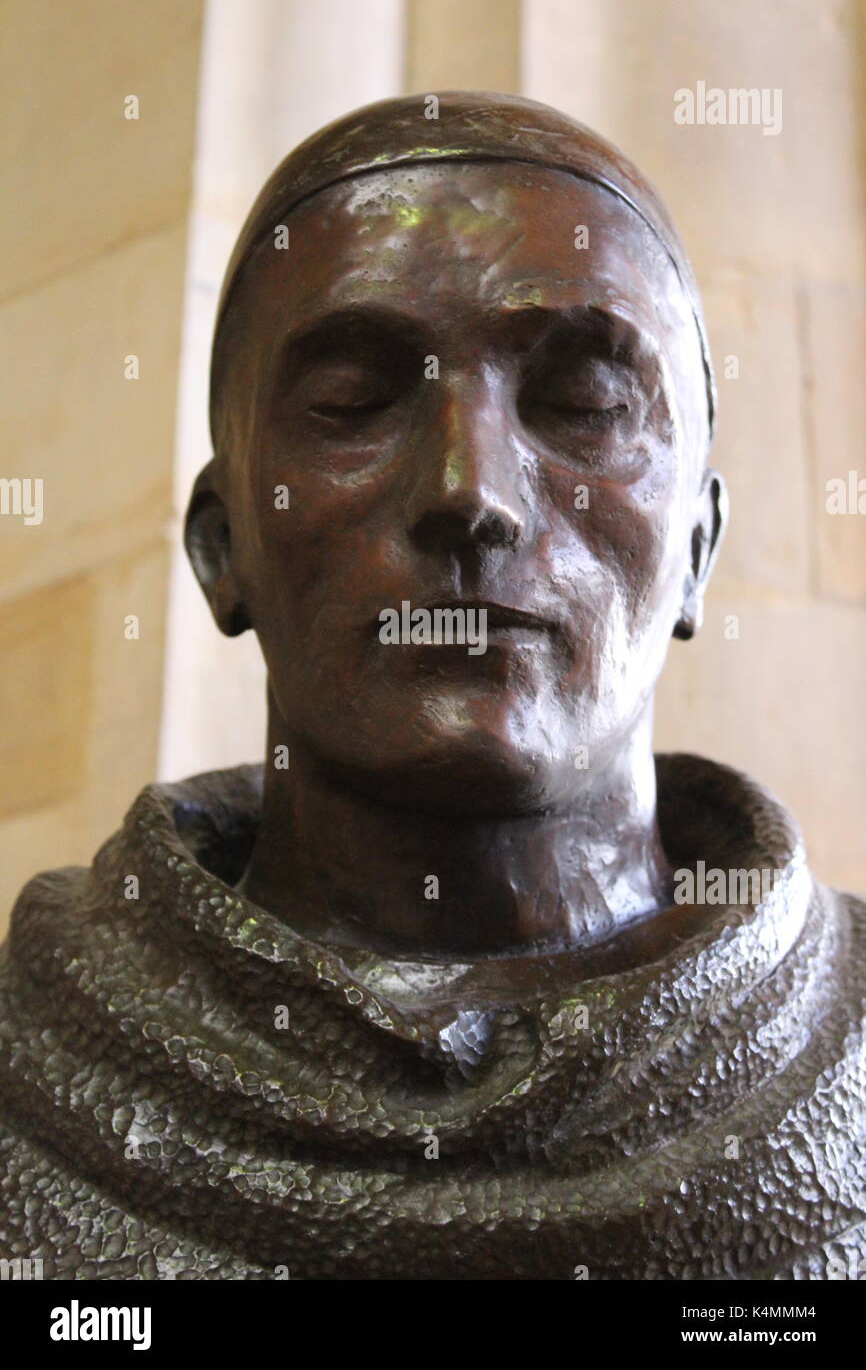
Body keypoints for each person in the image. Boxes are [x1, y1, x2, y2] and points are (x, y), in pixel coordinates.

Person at [1, 93, 864, 1281]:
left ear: (697, 549)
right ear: (222, 549)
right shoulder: (33, 1059)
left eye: (585, 405)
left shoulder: (842, 1051)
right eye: (353, 403)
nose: (470, 490)